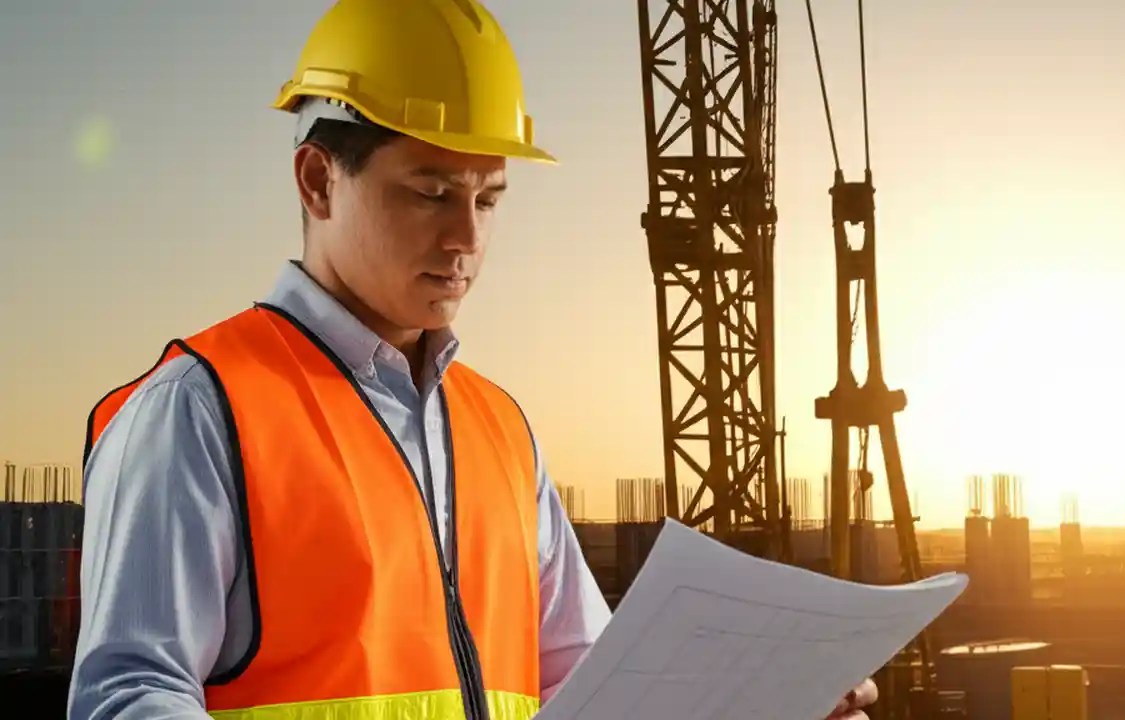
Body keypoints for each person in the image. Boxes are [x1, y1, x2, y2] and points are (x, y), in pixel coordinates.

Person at [67, 1, 877, 718]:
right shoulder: (200, 409)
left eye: (488, 198)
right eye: (431, 192)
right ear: (318, 181)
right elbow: (129, 696)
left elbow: (582, 685)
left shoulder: (498, 429)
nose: (467, 240)